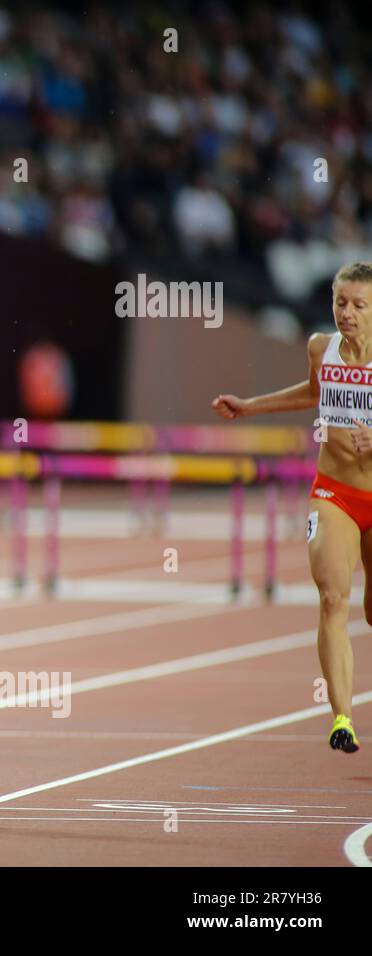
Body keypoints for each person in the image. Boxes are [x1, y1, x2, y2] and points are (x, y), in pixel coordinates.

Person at [213, 261, 372, 754]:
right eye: (339, 302)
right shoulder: (320, 349)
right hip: (334, 492)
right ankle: (342, 717)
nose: (346, 313)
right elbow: (313, 391)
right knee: (331, 598)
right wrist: (250, 405)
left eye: (359, 305)